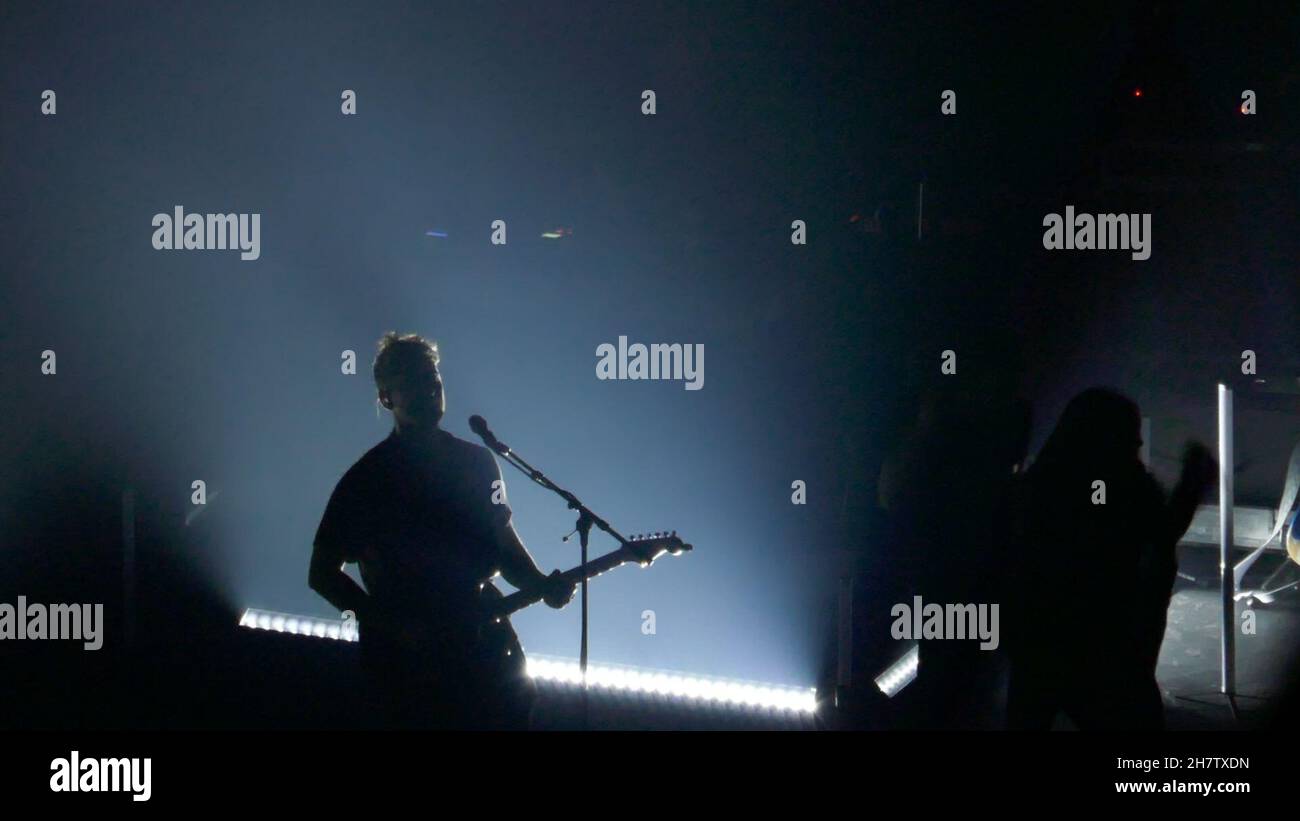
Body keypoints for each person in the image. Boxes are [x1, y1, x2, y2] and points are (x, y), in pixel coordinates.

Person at [308, 332, 575, 729]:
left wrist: (540, 583)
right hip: (408, 675)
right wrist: (388, 624)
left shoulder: (478, 464)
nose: (431, 389)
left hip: (483, 651)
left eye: (434, 379)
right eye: (415, 381)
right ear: (387, 398)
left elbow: (503, 545)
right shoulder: (368, 479)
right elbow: (321, 573)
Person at [1007, 387, 1215, 730]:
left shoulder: (1039, 485)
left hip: (1038, 643)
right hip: (1106, 654)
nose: (1138, 447)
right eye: (1131, 439)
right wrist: (1191, 487)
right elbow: (1159, 534)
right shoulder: (1125, 485)